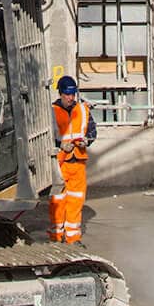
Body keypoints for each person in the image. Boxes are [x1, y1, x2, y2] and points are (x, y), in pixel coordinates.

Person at [48, 76, 95, 243]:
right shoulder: (51, 111)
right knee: (58, 201)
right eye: (67, 94)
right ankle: (56, 236)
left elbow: (91, 131)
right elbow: (47, 136)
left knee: (76, 200)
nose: (70, 97)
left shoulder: (82, 110)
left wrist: (86, 141)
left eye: (73, 94)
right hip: (60, 163)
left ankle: (73, 238)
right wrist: (61, 144)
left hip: (78, 162)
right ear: (60, 93)